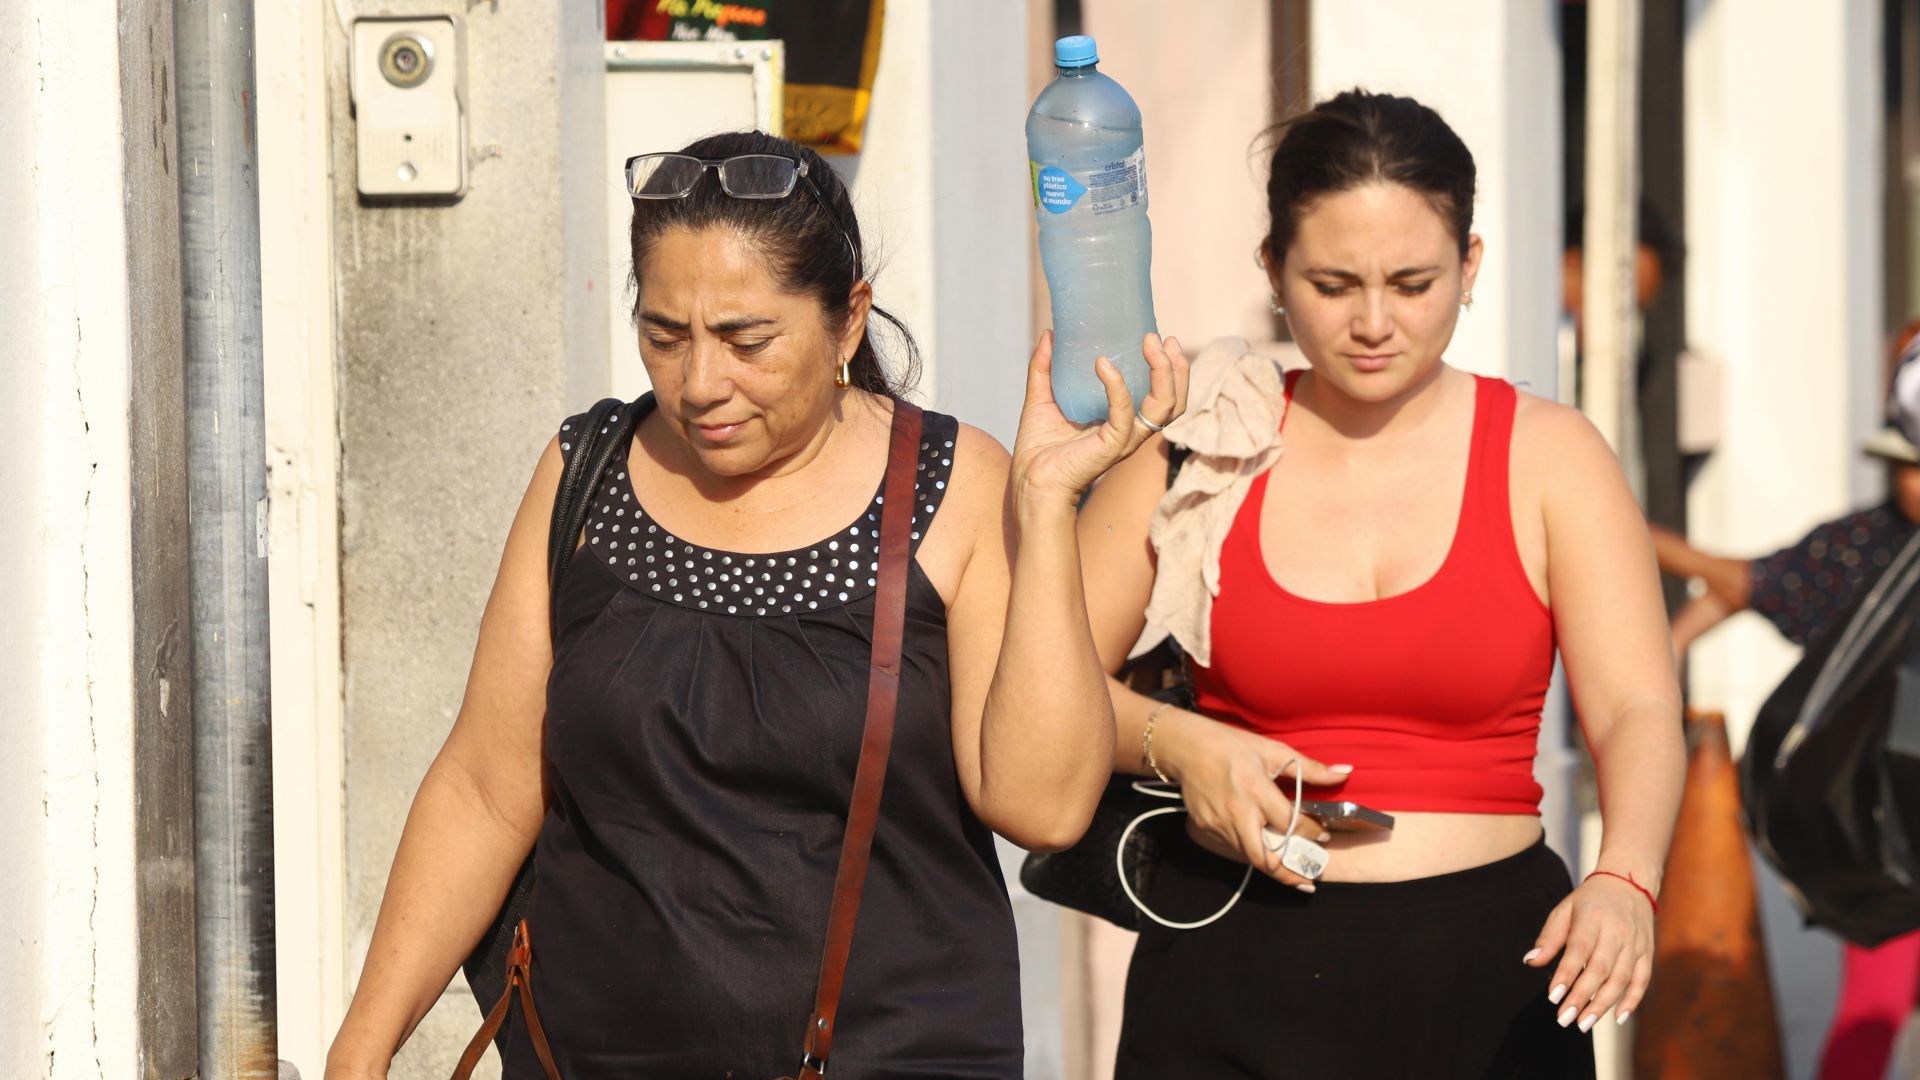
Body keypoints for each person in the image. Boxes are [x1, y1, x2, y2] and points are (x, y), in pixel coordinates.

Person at [323, 130, 1188, 1079]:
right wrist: (362, 1050)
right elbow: (488, 789)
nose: (700, 384)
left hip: (896, 1054)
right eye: (664, 335)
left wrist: (1049, 502)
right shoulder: (588, 472)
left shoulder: (955, 489)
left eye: (747, 340)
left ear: (848, 319)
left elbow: (1043, 805)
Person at [1075, 90, 1686, 1078]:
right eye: (1331, 283)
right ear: (1271, 269)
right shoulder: (1202, 445)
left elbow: (1636, 706)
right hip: (1232, 958)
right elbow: (1045, 696)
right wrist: (1178, 741)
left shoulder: (1551, 455)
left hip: (1494, 974)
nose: (1371, 323)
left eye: (1412, 283)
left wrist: (1628, 878)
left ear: (1471, 266)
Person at [1648, 323, 1920, 1080]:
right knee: (1872, 1015)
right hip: (1893, 836)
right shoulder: (1868, 549)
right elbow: (1749, 584)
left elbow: (1741, 583)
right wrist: (1666, 650)